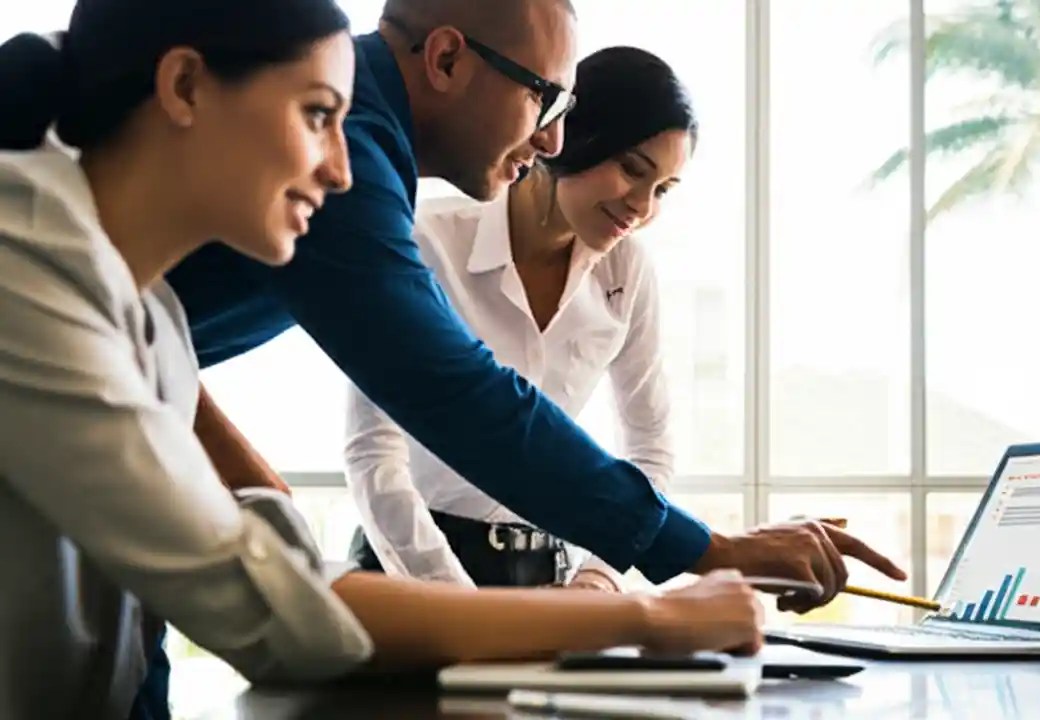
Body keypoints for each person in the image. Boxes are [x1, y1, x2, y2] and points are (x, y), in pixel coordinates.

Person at [0, 2, 766, 717]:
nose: (342, 171)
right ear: (187, 87)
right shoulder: (26, 273)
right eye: (317, 116)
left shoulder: (152, 316)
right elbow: (273, 606)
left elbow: (264, 582)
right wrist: (649, 613)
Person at [165, 0, 908, 606]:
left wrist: (239, 469)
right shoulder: (354, 150)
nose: (553, 140)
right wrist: (709, 550)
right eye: (542, 97)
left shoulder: (359, 142)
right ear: (446, 59)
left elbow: (143, 325)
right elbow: (459, 397)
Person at [344, 45, 696, 592]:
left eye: (663, 191)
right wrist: (457, 604)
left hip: (548, 575)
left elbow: (650, 446)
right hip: (409, 568)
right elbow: (374, 451)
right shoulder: (427, 240)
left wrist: (597, 580)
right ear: (573, 134)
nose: (643, 207)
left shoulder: (627, 272)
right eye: (633, 170)